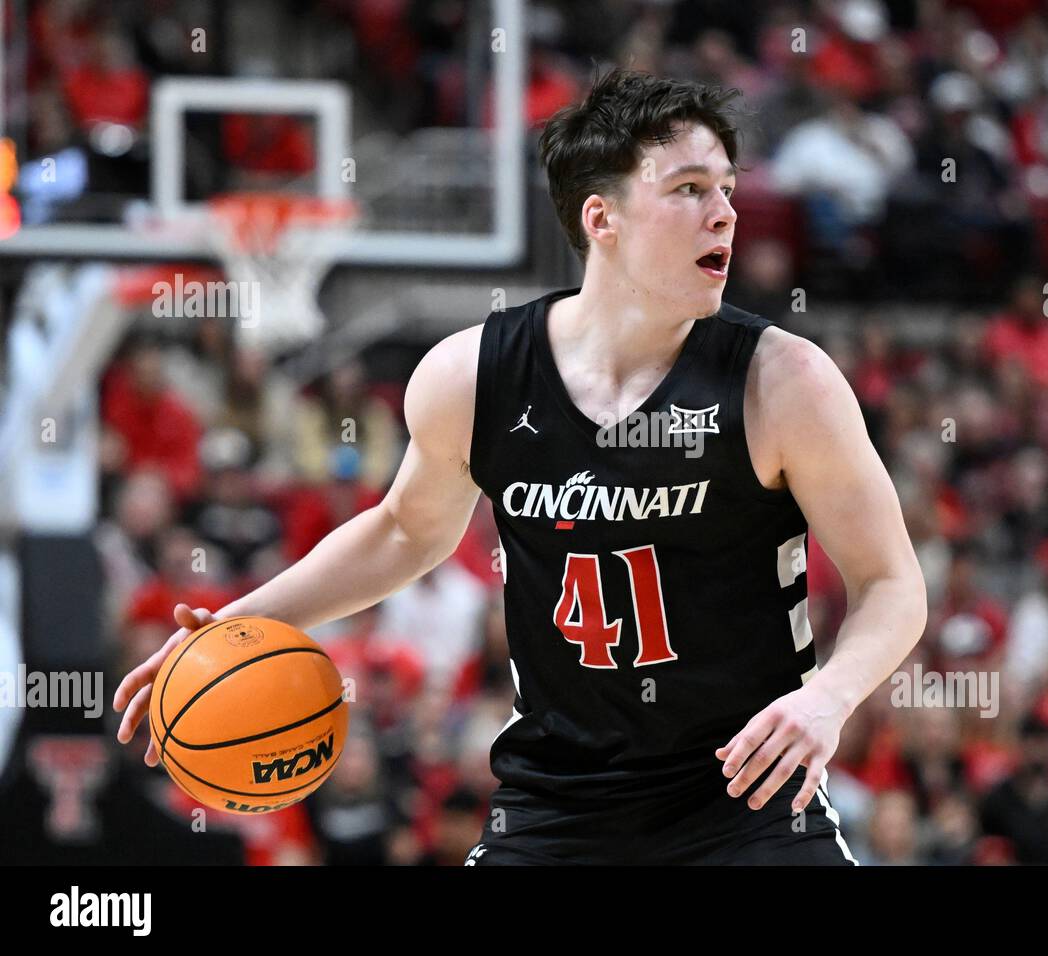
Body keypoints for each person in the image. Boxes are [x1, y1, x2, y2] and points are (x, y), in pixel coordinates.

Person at [113, 69, 927, 866]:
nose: (724, 215)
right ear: (600, 218)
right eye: (687, 189)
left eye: (726, 189)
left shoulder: (786, 383)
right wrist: (241, 621)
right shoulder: (473, 376)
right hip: (555, 807)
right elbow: (404, 532)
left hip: (747, 802)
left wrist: (829, 695)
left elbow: (892, 582)